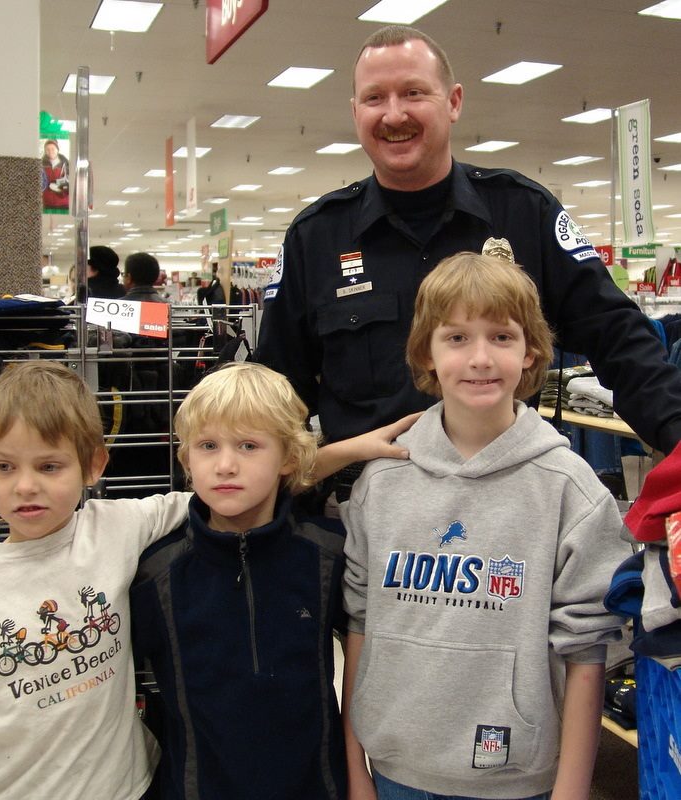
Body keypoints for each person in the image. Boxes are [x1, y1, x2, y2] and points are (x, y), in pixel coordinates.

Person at [255, 24, 681, 458]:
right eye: (375, 97)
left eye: (414, 93)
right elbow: (276, 388)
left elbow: (617, 335)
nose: (394, 114)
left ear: (454, 102)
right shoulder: (317, 237)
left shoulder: (524, 213)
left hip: (507, 502)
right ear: (355, 112)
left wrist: (675, 434)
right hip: (360, 508)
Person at [341, 252, 630, 800]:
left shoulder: (571, 490)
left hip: (517, 779)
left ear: (531, 352)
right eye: (456, 338)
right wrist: (356, 769)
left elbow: (586, 651)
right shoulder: (381, 483)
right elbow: (360, 622)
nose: (480, 358)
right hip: (395, 770)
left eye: (501, 336)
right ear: (427, 349)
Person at [0, 360, 193, 800]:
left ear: (93, 464)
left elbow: (209, 497)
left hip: (125, 786)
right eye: (5, 467)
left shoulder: (116, 528)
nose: (25, 486)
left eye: (49, 467)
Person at [130, 362, 348, 798]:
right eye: (208, 445)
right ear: (186, 458)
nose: (226, 465)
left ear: (288, 456)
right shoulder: (154, 573)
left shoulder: (329, 554)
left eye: (248, 445)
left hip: (315, 787)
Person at [41, 139, 69, 211]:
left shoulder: (66, 164)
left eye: (53, 149)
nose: (50, 151)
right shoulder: (41, 164)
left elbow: (71, 182)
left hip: (64, 204)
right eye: (47, 149)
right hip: (46, 204)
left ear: (57, 149)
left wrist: (59, 186)